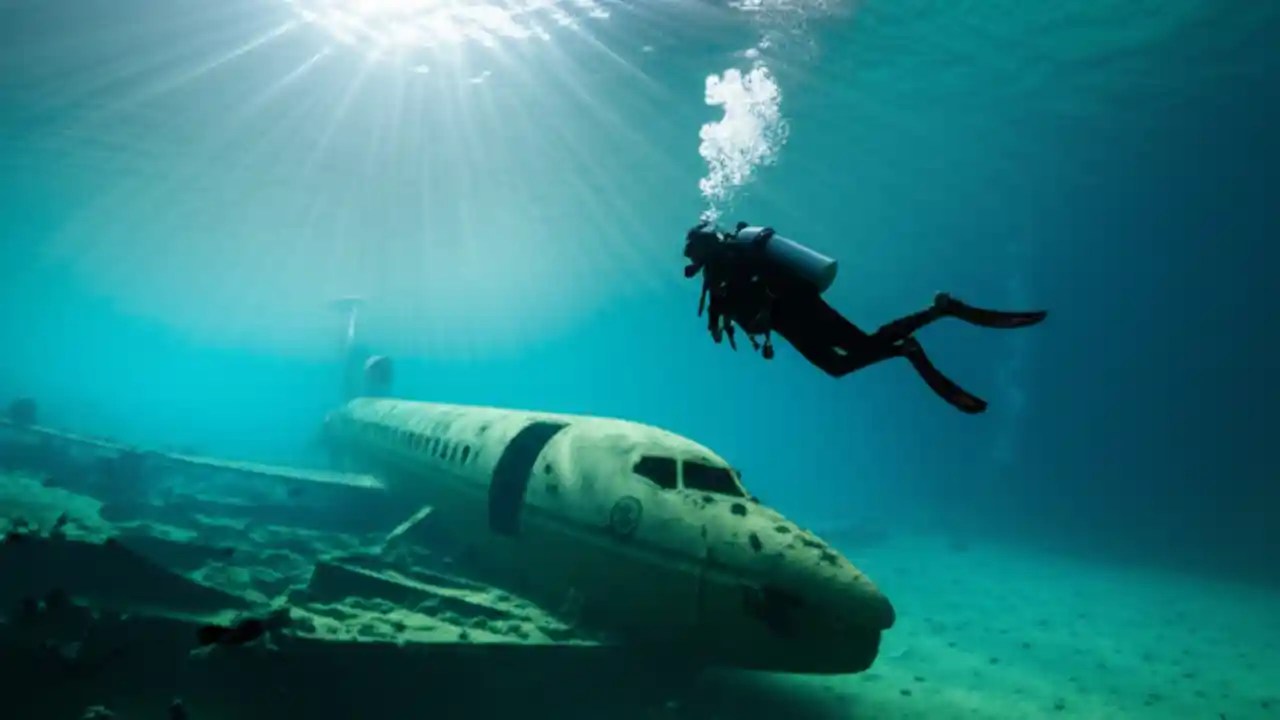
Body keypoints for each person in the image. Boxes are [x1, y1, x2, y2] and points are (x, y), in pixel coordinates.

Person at [683, 220, 1047, 414]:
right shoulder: (720, 270)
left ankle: (935, 316)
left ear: (704, 246)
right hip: (791, 321)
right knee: (845, 360)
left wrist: (752, 308)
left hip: (801, 312)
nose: (690, 258)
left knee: (855, 352)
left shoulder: (732, 259)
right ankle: (917, 335)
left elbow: (757, 290)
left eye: (692, 250)